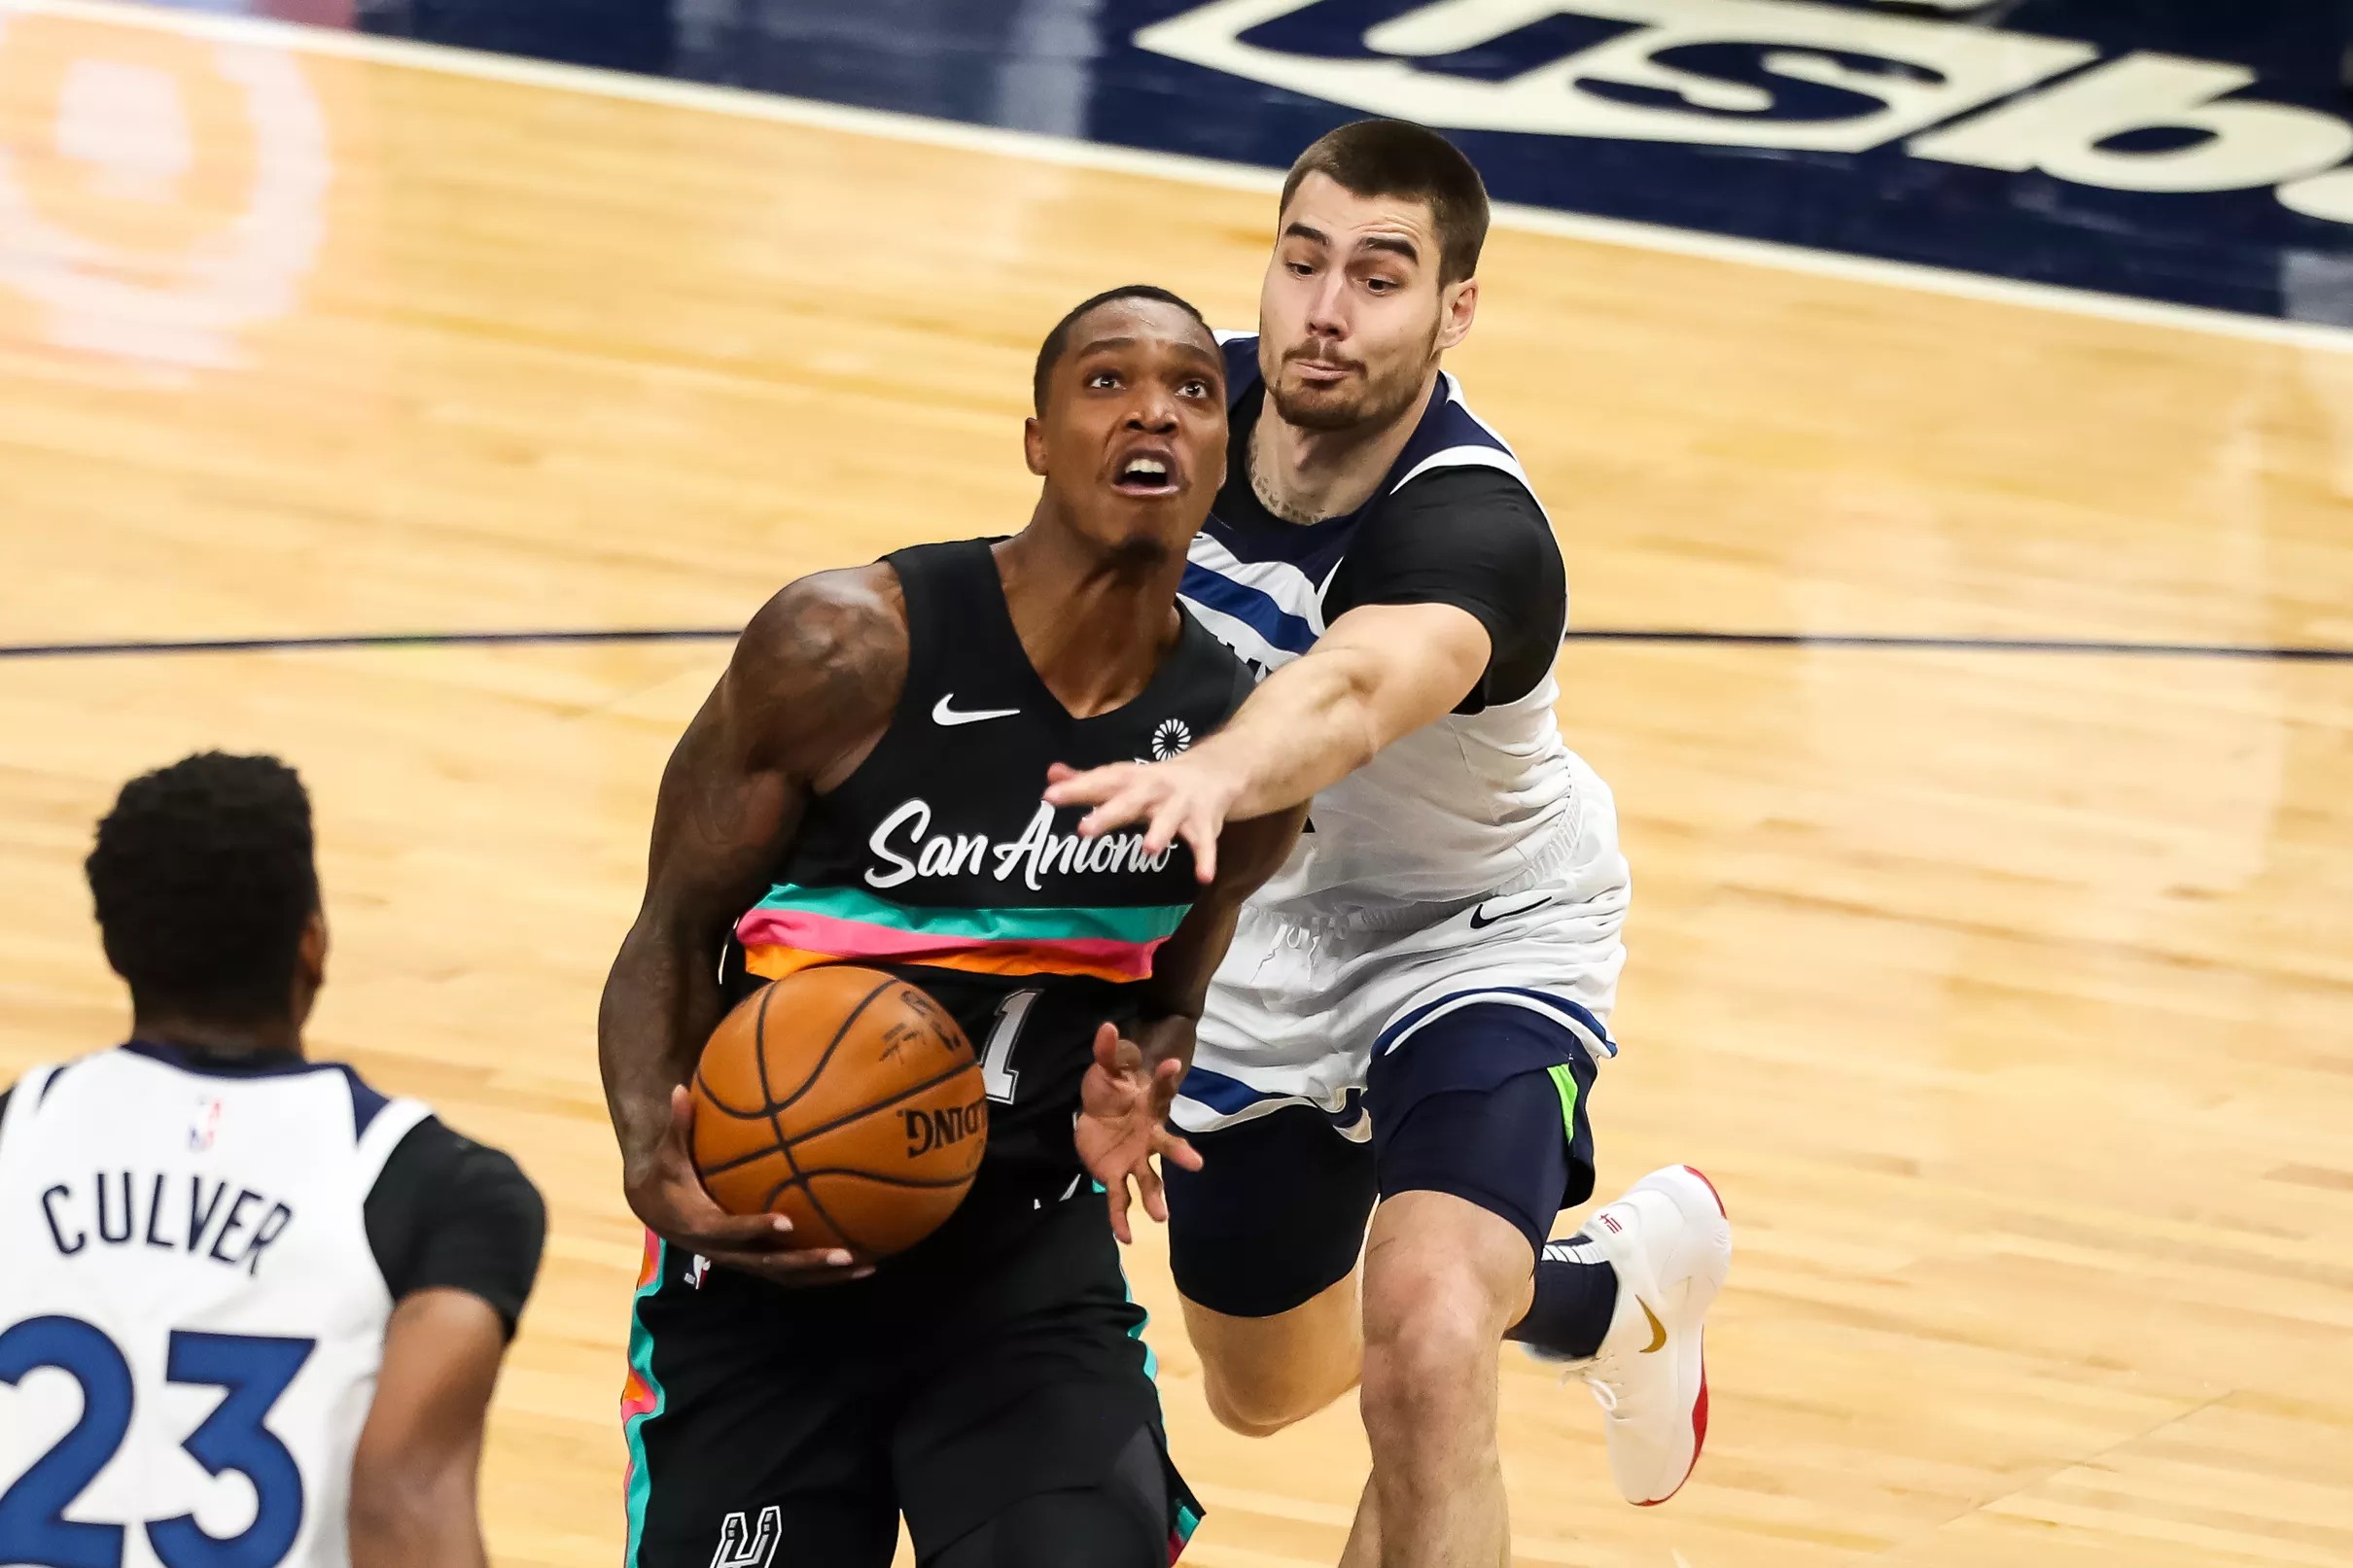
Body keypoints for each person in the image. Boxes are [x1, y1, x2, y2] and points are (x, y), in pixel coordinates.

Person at [1043, 122, 1733, 1565]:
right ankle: (1597, 1296)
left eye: (1378, 276)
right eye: (1302, 264)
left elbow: (1351, 691)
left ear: (1452, 310)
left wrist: (1212, 772)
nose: (1326, 311)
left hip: (1472, 934)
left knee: (1420, 1342)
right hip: (1255, 946)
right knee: (1264, 1387)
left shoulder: (1479, 526)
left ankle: (1485, 1282)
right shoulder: (1176, 422)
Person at [598, 285, 1306, 1568]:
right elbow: (670, 927)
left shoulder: (1240, 753)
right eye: (1107, 381)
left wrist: (1145, 1072)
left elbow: (1171, 996)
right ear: (1036, 437)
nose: (1153, 407)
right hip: (775, 1263)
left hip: (1021, 1264)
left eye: (1194, 390)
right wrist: (656, 1143)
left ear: (1224, 454)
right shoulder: (842, 650)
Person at [0, 750, 546, 1567]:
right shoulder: (446, 1188)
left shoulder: (16, 1133)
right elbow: (403, 1503)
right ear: (313, 945)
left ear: (115, 949)